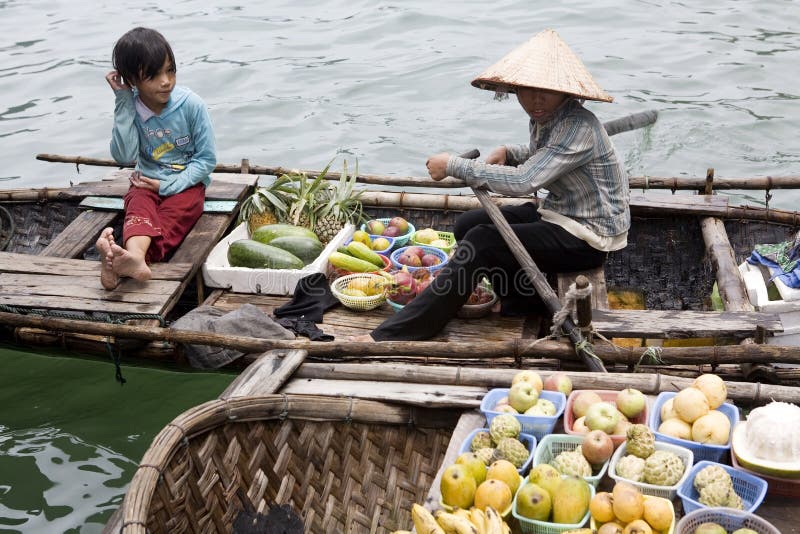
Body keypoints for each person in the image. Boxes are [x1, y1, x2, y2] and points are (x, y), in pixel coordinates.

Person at [356, 29, 630, 341]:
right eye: (527, 91)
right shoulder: (550, 118)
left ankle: (401, 332)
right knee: (470, 223)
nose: (535, 100)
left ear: (566, 93)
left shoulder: (578, 126)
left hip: (588, 236)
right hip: (561, 214)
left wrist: (454, 166)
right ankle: (521, 302)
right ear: (515, 89)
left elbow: (526, 181)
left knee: (484, 242)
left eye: (545, 92)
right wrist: (512, 153)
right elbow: (547, 157)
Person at [96, 27, 216, 290]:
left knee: (179, 211)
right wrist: (123, 100)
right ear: (132, 79)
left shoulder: (191, 105)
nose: (166, 81)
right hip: (145, 180)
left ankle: (124, 260)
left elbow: (206, 161)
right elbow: (125, 156)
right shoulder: (132, 106)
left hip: (186, 183)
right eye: (153, 75)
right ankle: (133, 260)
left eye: (170, 70)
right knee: (138, 205)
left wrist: (167, 186)